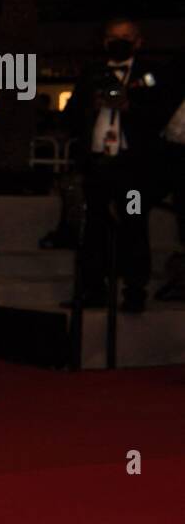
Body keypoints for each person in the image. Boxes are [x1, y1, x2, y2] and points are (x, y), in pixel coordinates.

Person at [64, 17, 179, 312]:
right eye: (113, 36)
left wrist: (129, 107)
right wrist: (92, 104)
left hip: (133, 166)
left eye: (126, 37)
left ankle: (134, 291)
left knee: (134, 224)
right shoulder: (92, 73)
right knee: (94, 228)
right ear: (104, 41)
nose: (119, 42)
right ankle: (93, 290)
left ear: (138, 41)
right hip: (98, 163)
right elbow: (70, 117)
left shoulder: (151, 74)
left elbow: (161, 116)